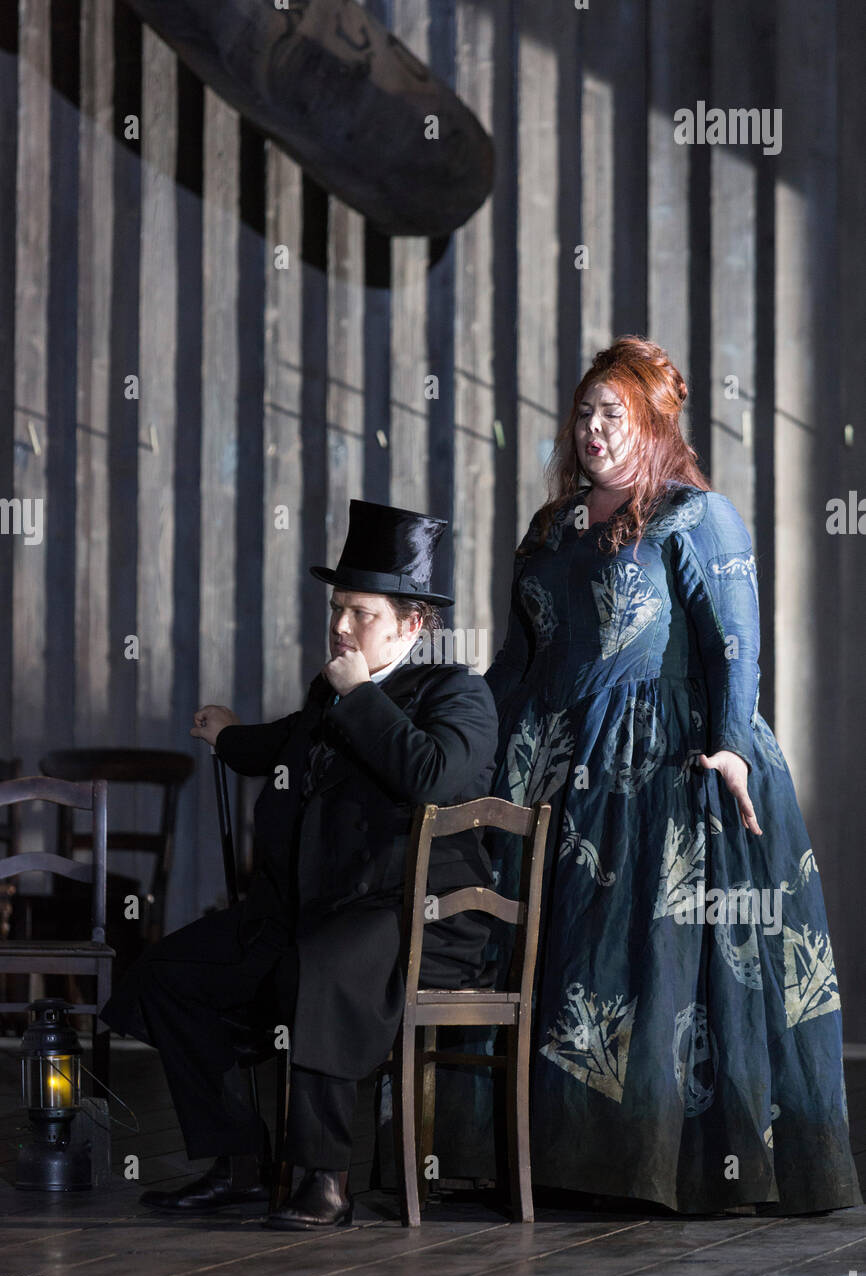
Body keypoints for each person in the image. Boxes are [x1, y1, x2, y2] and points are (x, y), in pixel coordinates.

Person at [440, 335, 861, 1216]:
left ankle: (665, 1164)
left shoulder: (695, 517)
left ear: (654, 423)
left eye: (613, 414)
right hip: (555, 763)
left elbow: (732, 647)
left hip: (665, 762)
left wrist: (734, 749)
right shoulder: (552, 527)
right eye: (585, 413)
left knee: (648, 962)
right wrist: (452, 737)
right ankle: (553, 1159)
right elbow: (521, 658)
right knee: (560, 959)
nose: (593, 429)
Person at [100, 500, 500, 1230]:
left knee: (325, 962)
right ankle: (240, 1161)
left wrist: (360, 695)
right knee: (171, 974)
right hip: (319, 907)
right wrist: (229, 738)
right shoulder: (331, 692)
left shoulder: (459, 693)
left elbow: (433, 776)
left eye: (361, 613)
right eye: (337, 609)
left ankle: (325, 1177)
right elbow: (284, 743)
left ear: (412, 624)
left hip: (417, 916)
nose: (341, 627)